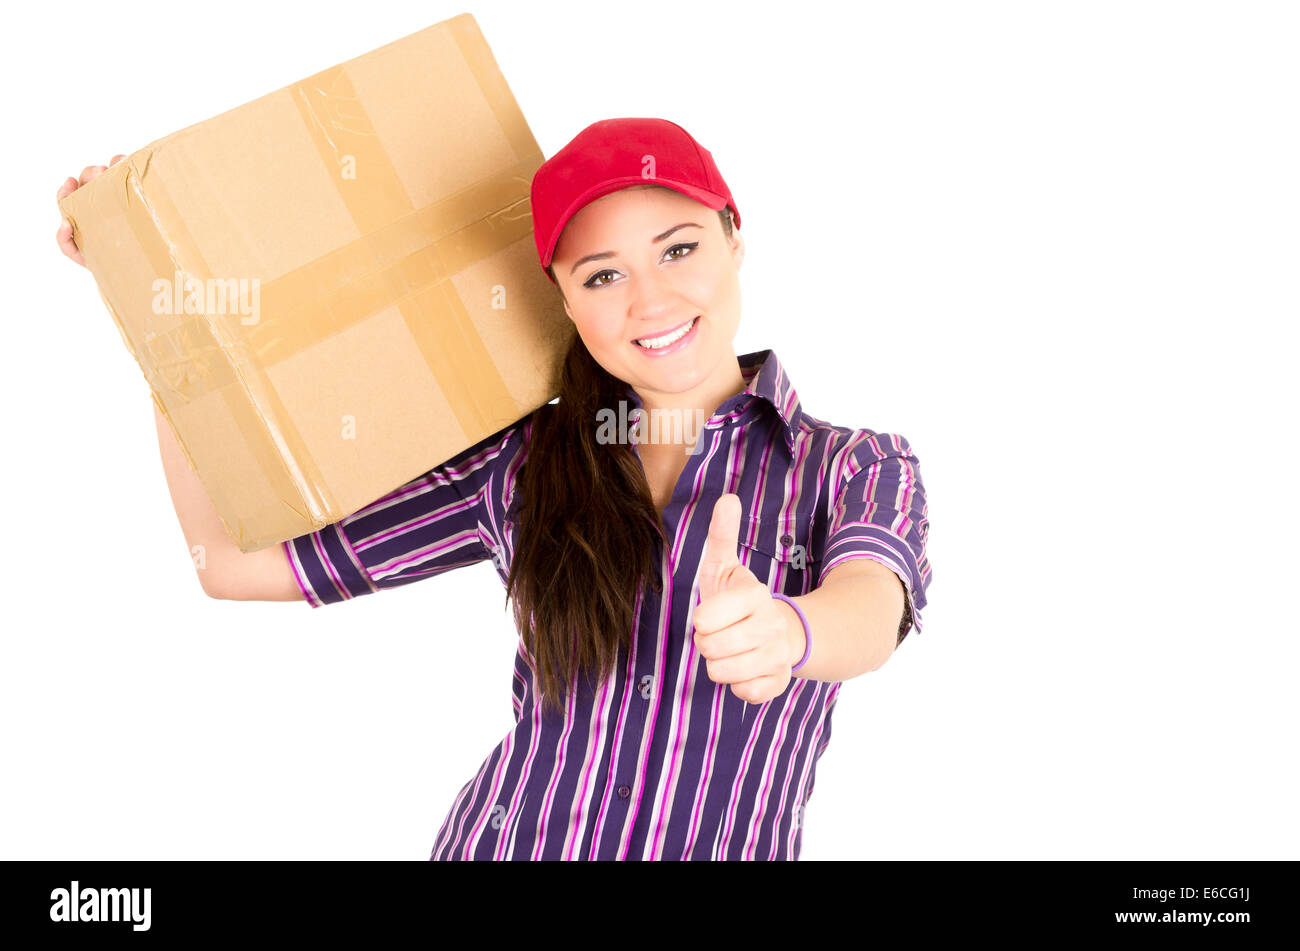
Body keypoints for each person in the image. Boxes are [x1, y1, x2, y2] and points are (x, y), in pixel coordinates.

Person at [56, 117, 933, 860]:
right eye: (602, 274)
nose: (651, 298)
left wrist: (790, 628)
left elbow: (871, 608)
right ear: (562, 294)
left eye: (678, 248)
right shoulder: (524, 462)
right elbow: (232, 562)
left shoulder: (854, 465)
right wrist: (154, 316)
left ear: (735, 237)